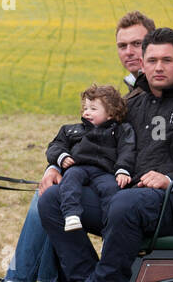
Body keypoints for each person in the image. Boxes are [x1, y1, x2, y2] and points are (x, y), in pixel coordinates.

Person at [39, 27, 173, 282]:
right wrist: (55, 164)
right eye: (152, 61)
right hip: (128, 201)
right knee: (53, 199)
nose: (159, 67)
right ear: (142, 64)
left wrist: (170, 179)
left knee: (126, 202)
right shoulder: (131, 107)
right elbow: (94, 139)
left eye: (167, 60)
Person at [1, 12, 153, 282]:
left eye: (137, 44)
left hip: (130, 191)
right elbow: (93, 136)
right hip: (107, 176)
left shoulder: (155, 94)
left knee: (52, 198)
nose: (129, 52)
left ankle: (22, 281)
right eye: (122, 46)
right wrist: (55, 165)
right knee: (53, 189)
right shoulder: (131, 94)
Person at [50, 85, 135, 232]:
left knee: (112, 191)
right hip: (78, 167)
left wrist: (123, 170)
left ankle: (110, 231)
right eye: (85, 109)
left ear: (111, 114)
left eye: (93, 109)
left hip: (105, 172)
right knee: (69, 180)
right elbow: (55, 145)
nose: (87, 112)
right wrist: (61, 157)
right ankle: (71, 215)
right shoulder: (72, 130)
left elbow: (127, 150)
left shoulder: (120, 131)